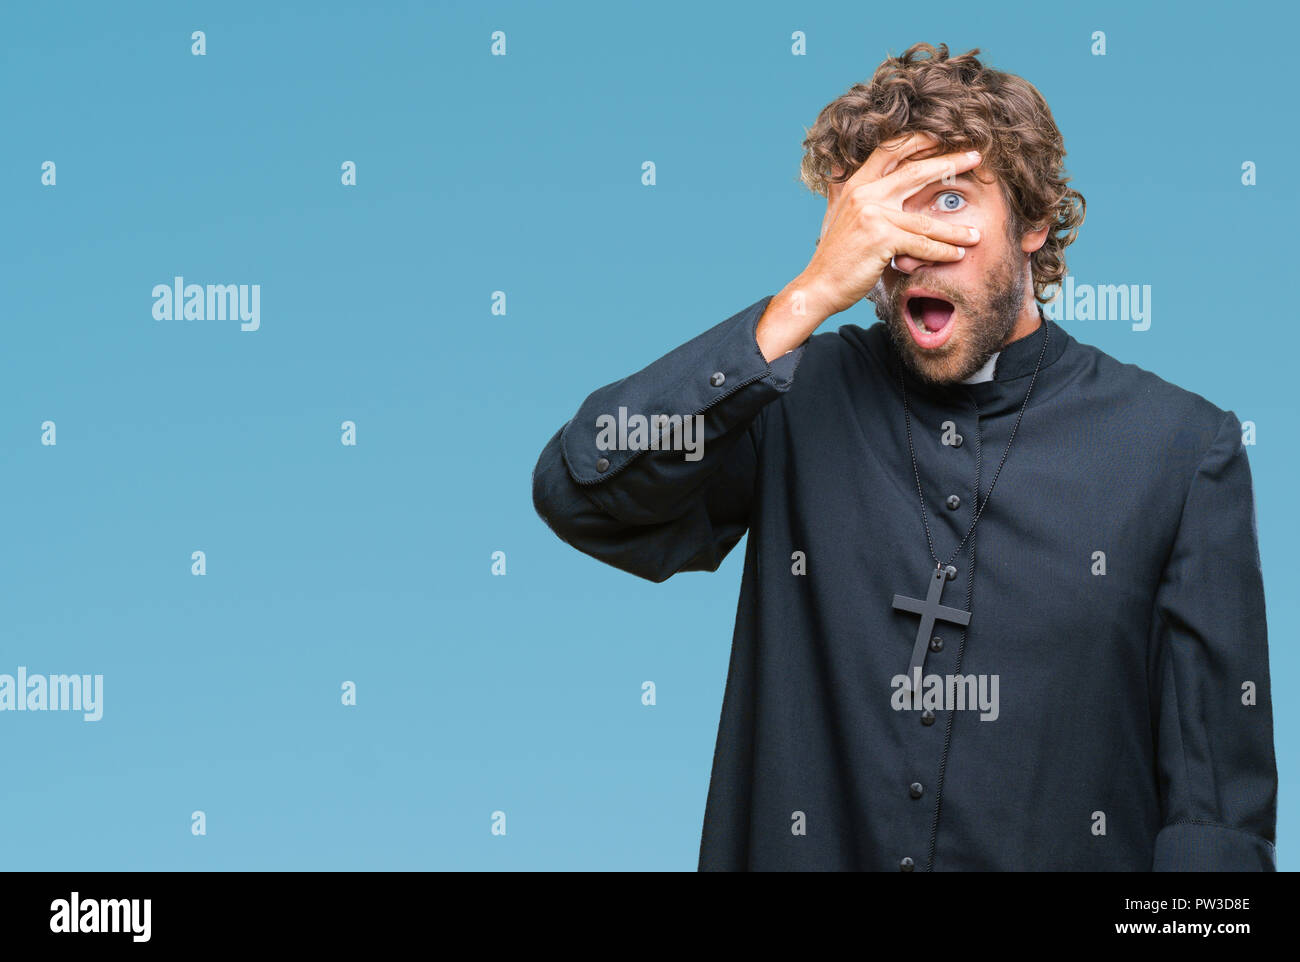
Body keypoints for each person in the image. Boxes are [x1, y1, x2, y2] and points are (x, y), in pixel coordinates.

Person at [531, 42, 1277, 871]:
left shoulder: (1178, 449)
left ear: (1033, 222)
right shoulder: (790, 398)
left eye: (951, 199)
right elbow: (582, 490)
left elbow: (1215, 823)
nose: (916, 243)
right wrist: (807, 295)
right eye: (885, 213)